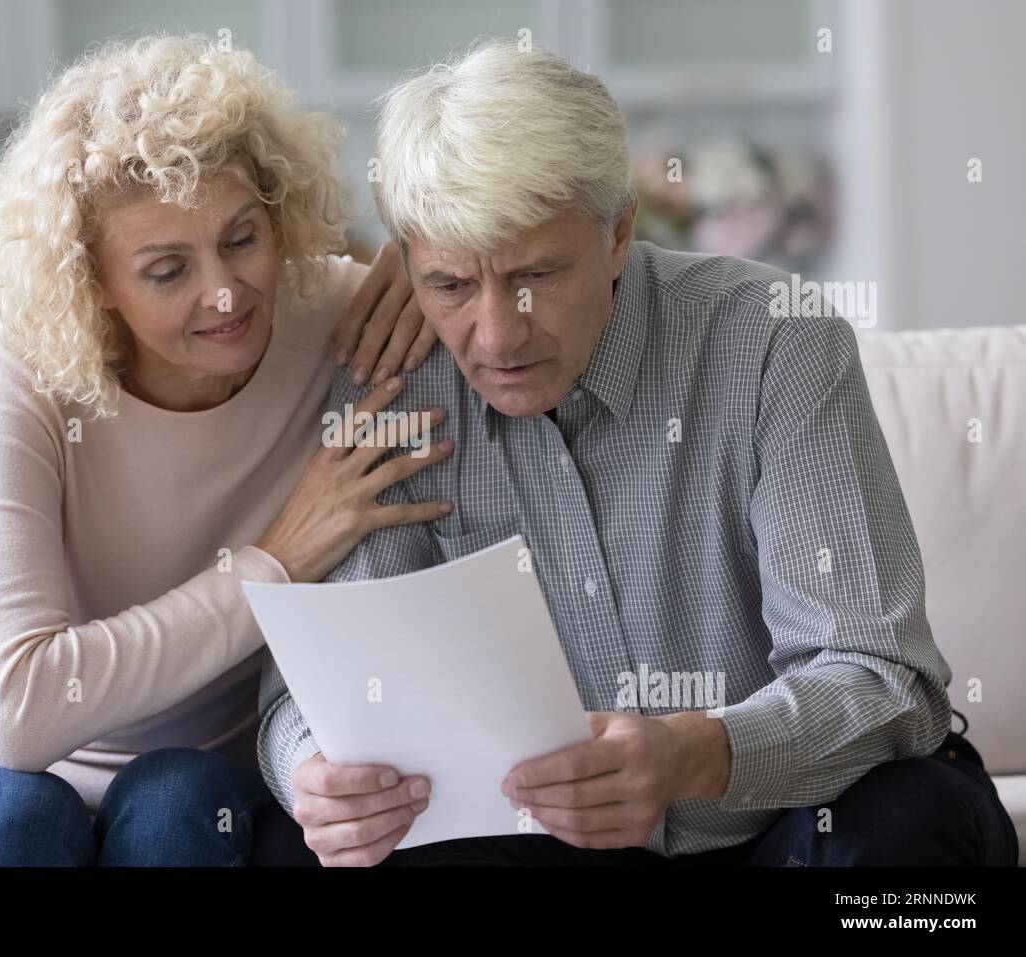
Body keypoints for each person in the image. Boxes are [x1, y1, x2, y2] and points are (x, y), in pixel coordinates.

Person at [257, 39, 1019, 867]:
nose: (497, 335)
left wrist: (700, 750)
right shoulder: (390, 386)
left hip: (782, 831)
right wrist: (316, 773)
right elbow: (312, 689)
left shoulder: (776, 341)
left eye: (536, 275)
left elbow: (886, 680)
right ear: (405, 263)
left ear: (619, 233)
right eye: (448, 285)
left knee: (911, 816)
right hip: (542, 849)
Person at [0, 33, 454, 866]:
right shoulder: (27, 374)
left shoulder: (340, 316)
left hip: (192, 787)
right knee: (25, 818)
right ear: (92, 282)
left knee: (182, 796)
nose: (225, 292)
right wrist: (273, 562)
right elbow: (15, 715)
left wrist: (434, 266)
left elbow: (493, 283)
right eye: (167, 269)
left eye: (243, 238)